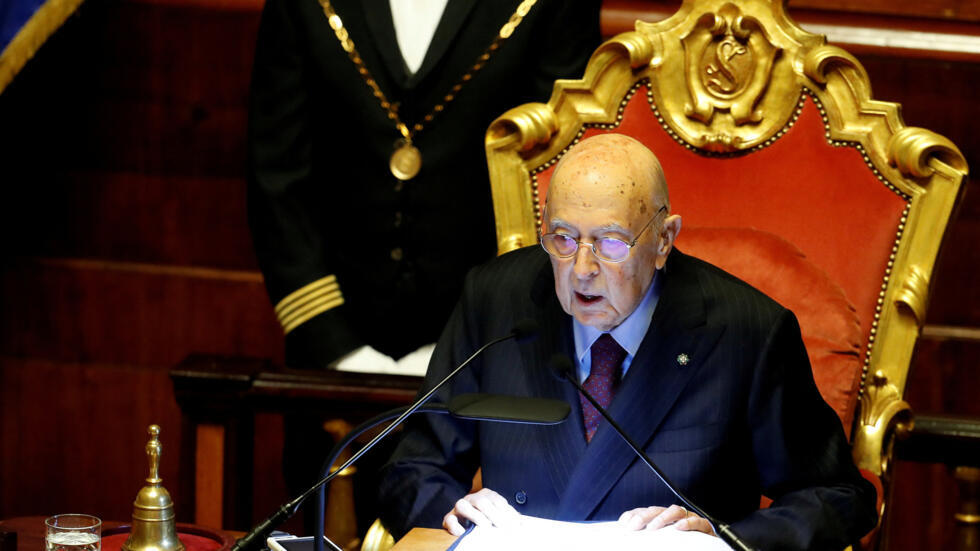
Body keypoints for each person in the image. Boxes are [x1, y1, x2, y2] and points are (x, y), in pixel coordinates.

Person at [377, 134, 878, 549]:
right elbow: (414, 468)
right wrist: (454, 519)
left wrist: (723, 541)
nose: (582, 269)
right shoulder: (496, 301)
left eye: (611, 243)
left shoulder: (747, 331)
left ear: (663, 240)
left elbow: (838, 496)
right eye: (563, 238)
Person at [246, 0, 601, 533]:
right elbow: (277, 176)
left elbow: (561, 175)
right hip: (329, 364)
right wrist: (334, 345)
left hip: (488, 362)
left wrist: (476, 344)